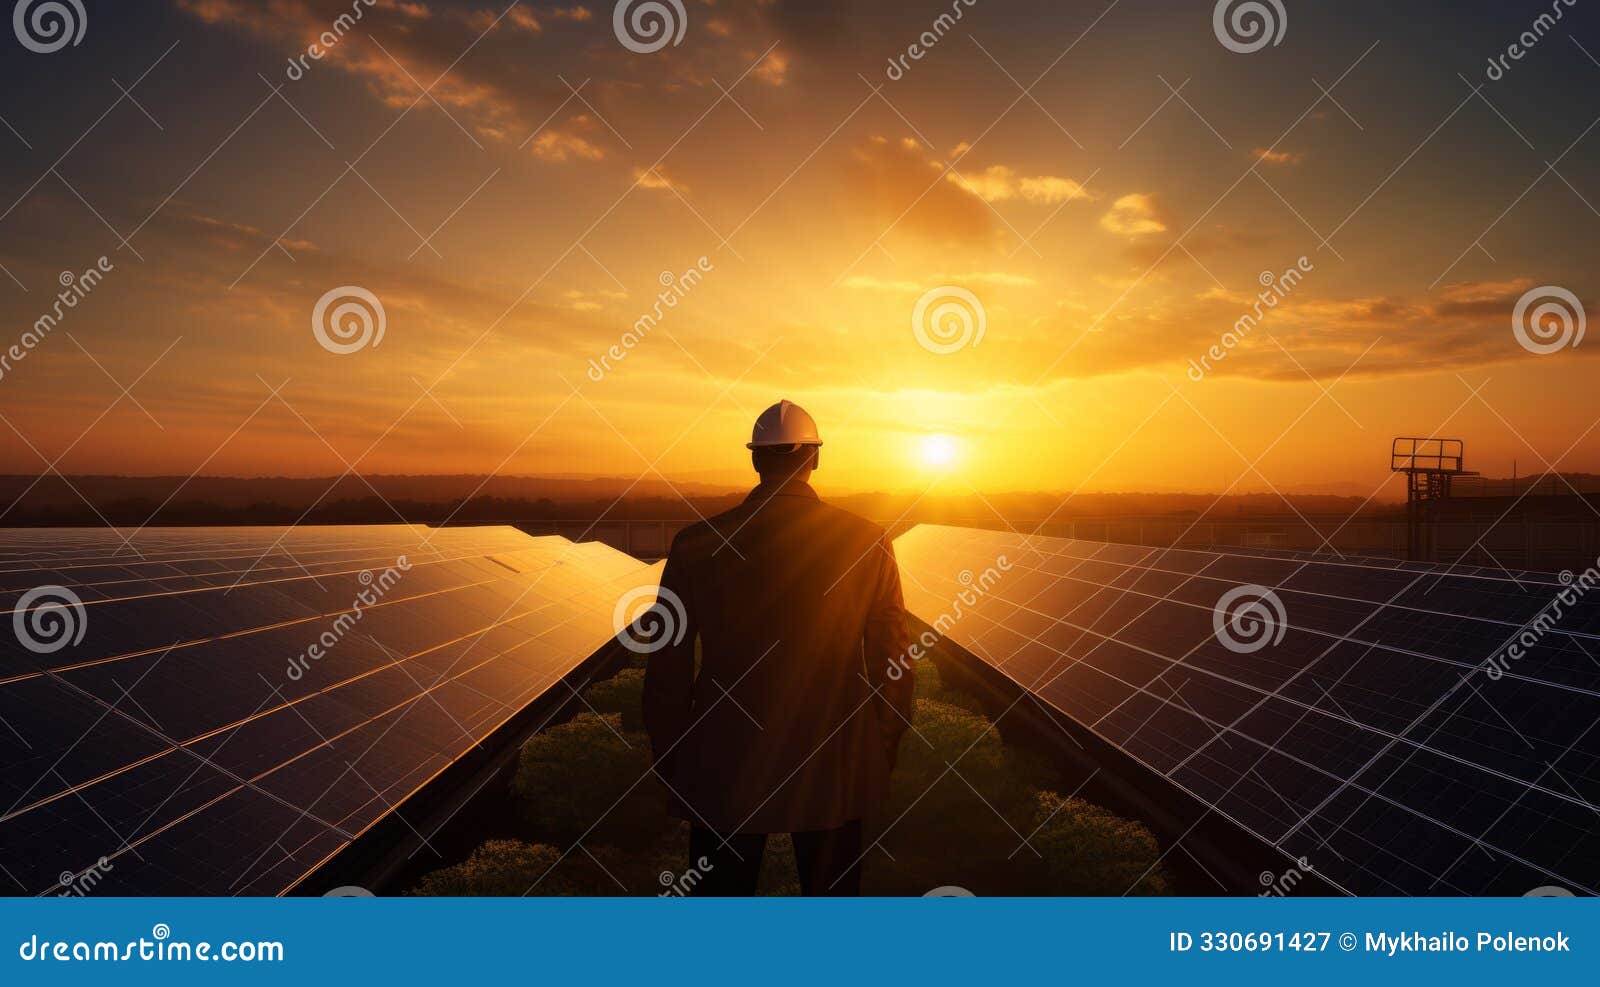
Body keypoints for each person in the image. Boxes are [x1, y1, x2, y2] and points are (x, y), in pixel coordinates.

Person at [642, 399, 913, 896]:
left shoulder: (696, 545)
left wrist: (672, 758)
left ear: (755, 459)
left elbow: (668, 665)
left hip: (725, 768)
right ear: (815, 458)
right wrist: (879, 751)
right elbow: (894, 662)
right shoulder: (867, 542)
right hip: (836, 766)